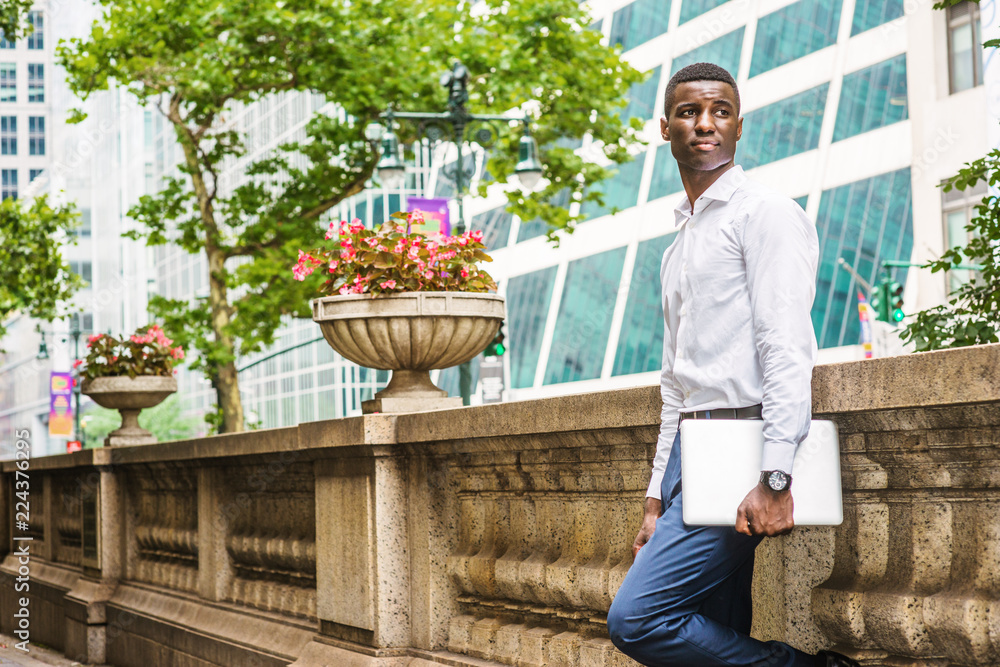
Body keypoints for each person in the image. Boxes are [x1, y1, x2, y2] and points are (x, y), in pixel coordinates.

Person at [605, 63, 859, 667]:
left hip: (745, 445)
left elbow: (787, 348)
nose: (704, 124)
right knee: (712, 631)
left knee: (637, 620)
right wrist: (654, 499)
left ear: (739, 126)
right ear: (665, 128)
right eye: (689, 112)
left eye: (719, 111)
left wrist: (776, 478)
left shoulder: (765, 213)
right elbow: (675, 385)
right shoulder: (679, 242)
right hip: (690, 455)